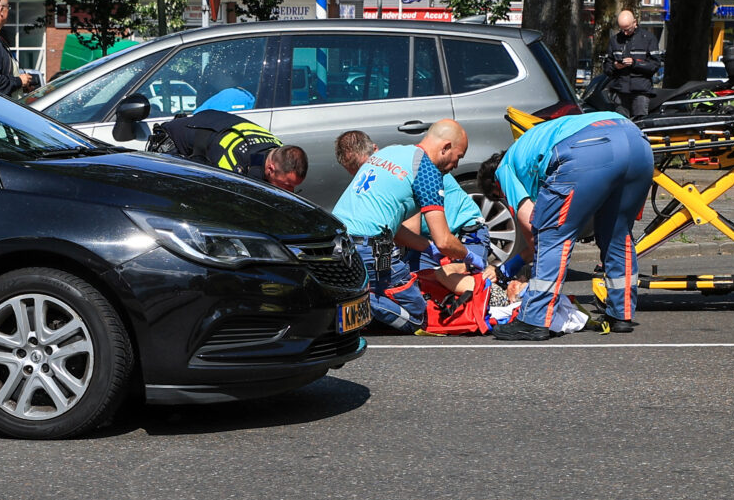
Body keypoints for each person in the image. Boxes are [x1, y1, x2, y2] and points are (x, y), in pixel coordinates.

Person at [488, 111, 655, 339]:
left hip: (590, 148)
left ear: (495, 187)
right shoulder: (529, 148)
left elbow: (534, 230)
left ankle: (533, 320)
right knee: (617, 233)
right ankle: (620, 315)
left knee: (551, 234)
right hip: (638, 143)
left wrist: (512, 270)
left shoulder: (503, 170)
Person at [330, 120, 473, 332]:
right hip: (368, 251)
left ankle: (347, 298)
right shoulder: (427, 170)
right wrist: (470, 257)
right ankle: (347, 301)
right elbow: (444, 240)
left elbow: (395, 230)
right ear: (445, 147)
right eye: (458, 157)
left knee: (388, 300)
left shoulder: (390, 152)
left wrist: (428, 248)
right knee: (416, 316)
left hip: (335, 241)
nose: (457, 165)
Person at [153, 104, 307, 193]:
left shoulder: (275, 149)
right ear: (271, 169)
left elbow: (255, 171)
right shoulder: (232, 158)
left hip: (212, 133)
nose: (291, 191)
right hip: (173, 142)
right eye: (287, 185)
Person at [604, 9, 663, 120]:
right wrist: (615, 66)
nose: (625, 33)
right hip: (620, 90)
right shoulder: (614, 40)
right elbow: (607, 66)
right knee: (621, 123)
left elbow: (655, 65)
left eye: (627, 29)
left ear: (635, 23)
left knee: (640, 123)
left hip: (641, 91)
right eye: (622, 29)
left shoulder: (648, 38)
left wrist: (634, 63)